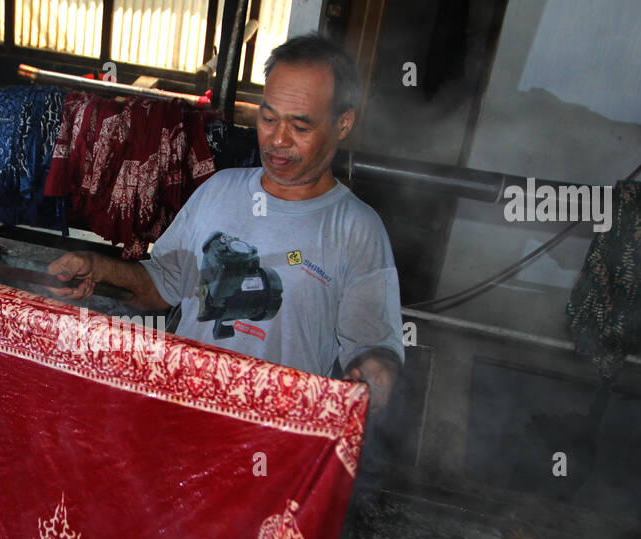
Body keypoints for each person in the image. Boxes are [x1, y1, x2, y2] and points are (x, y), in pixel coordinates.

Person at [47, 33, 403, 410]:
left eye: (300, 127)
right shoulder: (220, 189)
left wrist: (377, 371)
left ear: (343, 123)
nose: (277, 140)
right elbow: (165, 285)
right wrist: (99, 270)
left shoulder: (357, 230)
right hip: (183, 409)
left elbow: (372, 346)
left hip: (274, 430)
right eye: (268, 118)